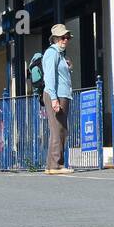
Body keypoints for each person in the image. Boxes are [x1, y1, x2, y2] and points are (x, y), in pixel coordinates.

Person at [41, 24, 75, 175]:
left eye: (67, 37)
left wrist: (68, 67)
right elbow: (49, 77)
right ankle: (56, 165)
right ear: (54, 38)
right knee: (58, 129)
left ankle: (52, 165)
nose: (65, 40)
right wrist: (54, 99)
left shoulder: (60, 55)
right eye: (62, 37)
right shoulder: (52, 53)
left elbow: (60, 76)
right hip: (56, 94)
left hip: (62, 94)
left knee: (60, 129)